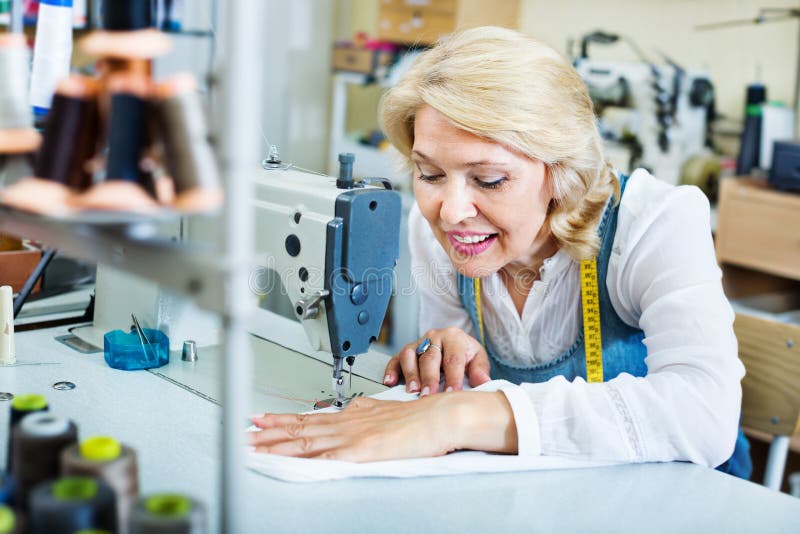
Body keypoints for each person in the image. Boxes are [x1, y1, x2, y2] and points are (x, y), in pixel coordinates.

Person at [251, 26, 751, 478]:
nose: (450, 212)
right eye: (428, 174)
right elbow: (459, 391)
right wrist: (445, 363)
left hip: (689, 495)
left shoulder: (654, 222)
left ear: (560, 171)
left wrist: (455, 416)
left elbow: (705, 415)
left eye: (488, 179)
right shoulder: (435, 231)